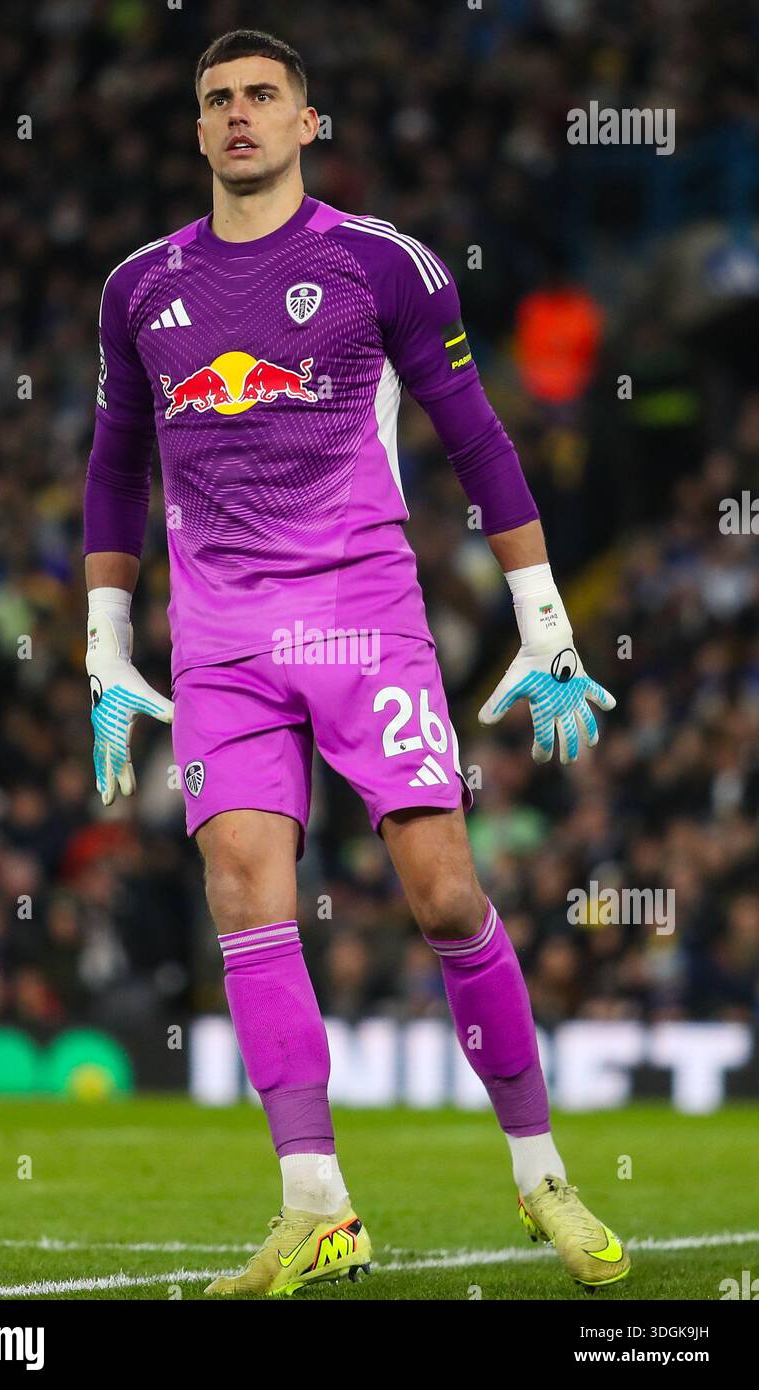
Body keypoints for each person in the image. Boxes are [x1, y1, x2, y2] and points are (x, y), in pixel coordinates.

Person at [82, 27, 628, 1297]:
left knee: (440, 889)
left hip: (360, 613)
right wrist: (107, 643)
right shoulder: (138, 289)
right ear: (197, 124)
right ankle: (313, 1202)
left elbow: (478, 436)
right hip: (215, 633)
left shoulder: (379, 264)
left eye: (262, 96)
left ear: (304, 122)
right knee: (240, 881)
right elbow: (111, 471)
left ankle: (539, 1169)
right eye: (216, 98)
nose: (237, 115)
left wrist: (542, 614)